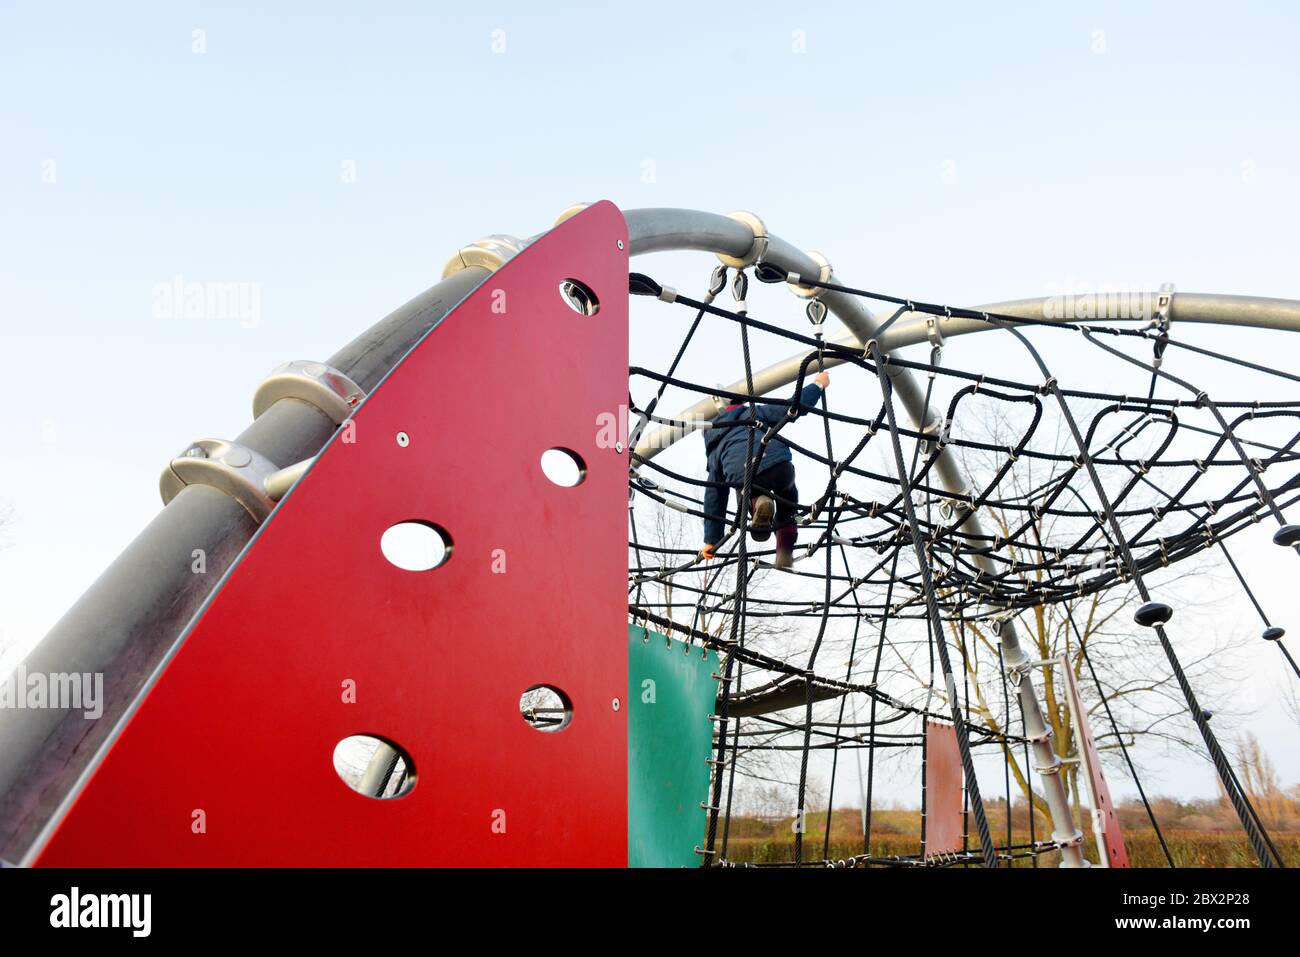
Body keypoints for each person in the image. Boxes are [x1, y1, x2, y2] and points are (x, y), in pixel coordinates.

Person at [698, 371, 829, 569]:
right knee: (788, 498)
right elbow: (791, 408)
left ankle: (757, 503)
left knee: (741, 486)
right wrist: (817, 385)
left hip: (746, 478)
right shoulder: (754, 413)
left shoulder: (715, 446)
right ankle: (784, 548)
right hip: (779, 467)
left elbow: (714, 494)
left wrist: (712, 539)